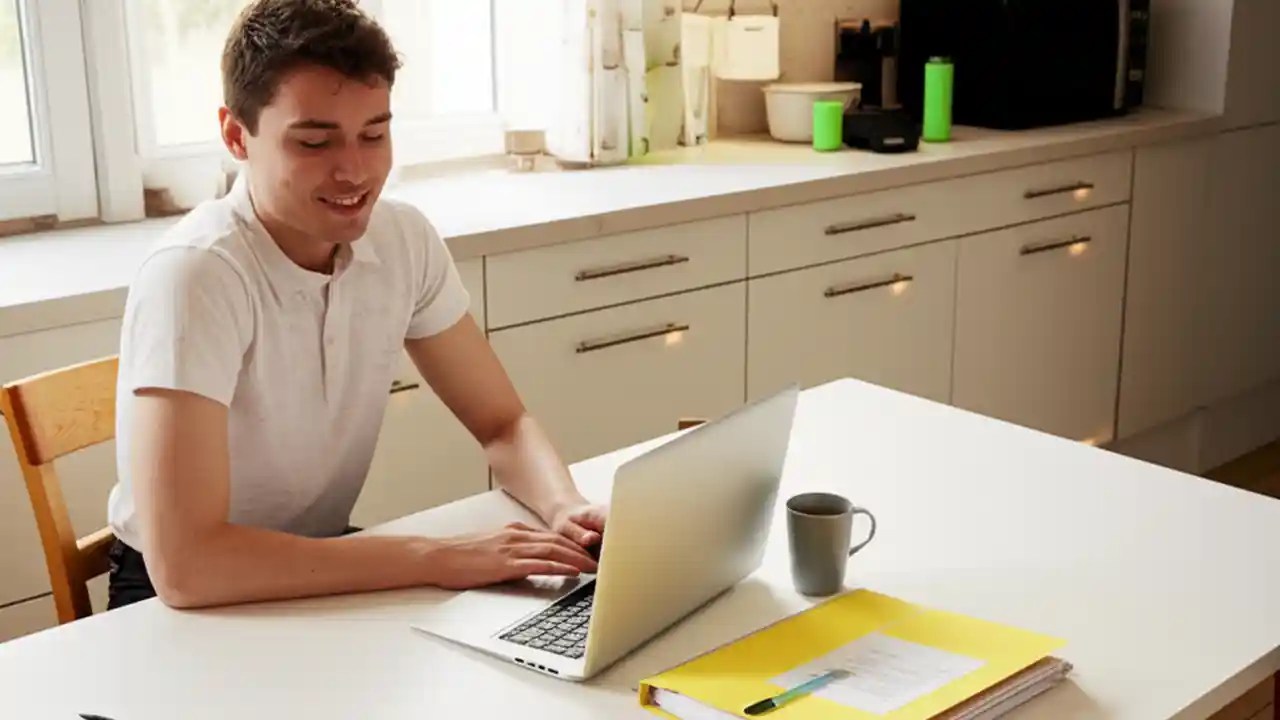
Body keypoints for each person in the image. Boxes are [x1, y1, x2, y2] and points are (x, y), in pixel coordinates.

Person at [106, 0, 605, 610]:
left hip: (318, 558)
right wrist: (436, 557)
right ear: (237, 135)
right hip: (178, 595)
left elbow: (502, 423)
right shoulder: (197, 276)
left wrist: (567, 510)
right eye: (314, 142)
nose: (355, 171)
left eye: (375, 134)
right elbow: (188, 568)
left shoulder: (402, 239)